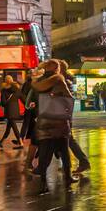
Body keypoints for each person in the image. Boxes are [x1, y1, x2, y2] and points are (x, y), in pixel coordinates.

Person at [31, 62, 77, 193]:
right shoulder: (59, 80)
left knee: (45, 153)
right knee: (64, 151)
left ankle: (43, 182)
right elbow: (69, 98)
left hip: (43, 121)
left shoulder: (37, 82)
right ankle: (68, 177)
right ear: (57, 69)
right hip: (59, 122)